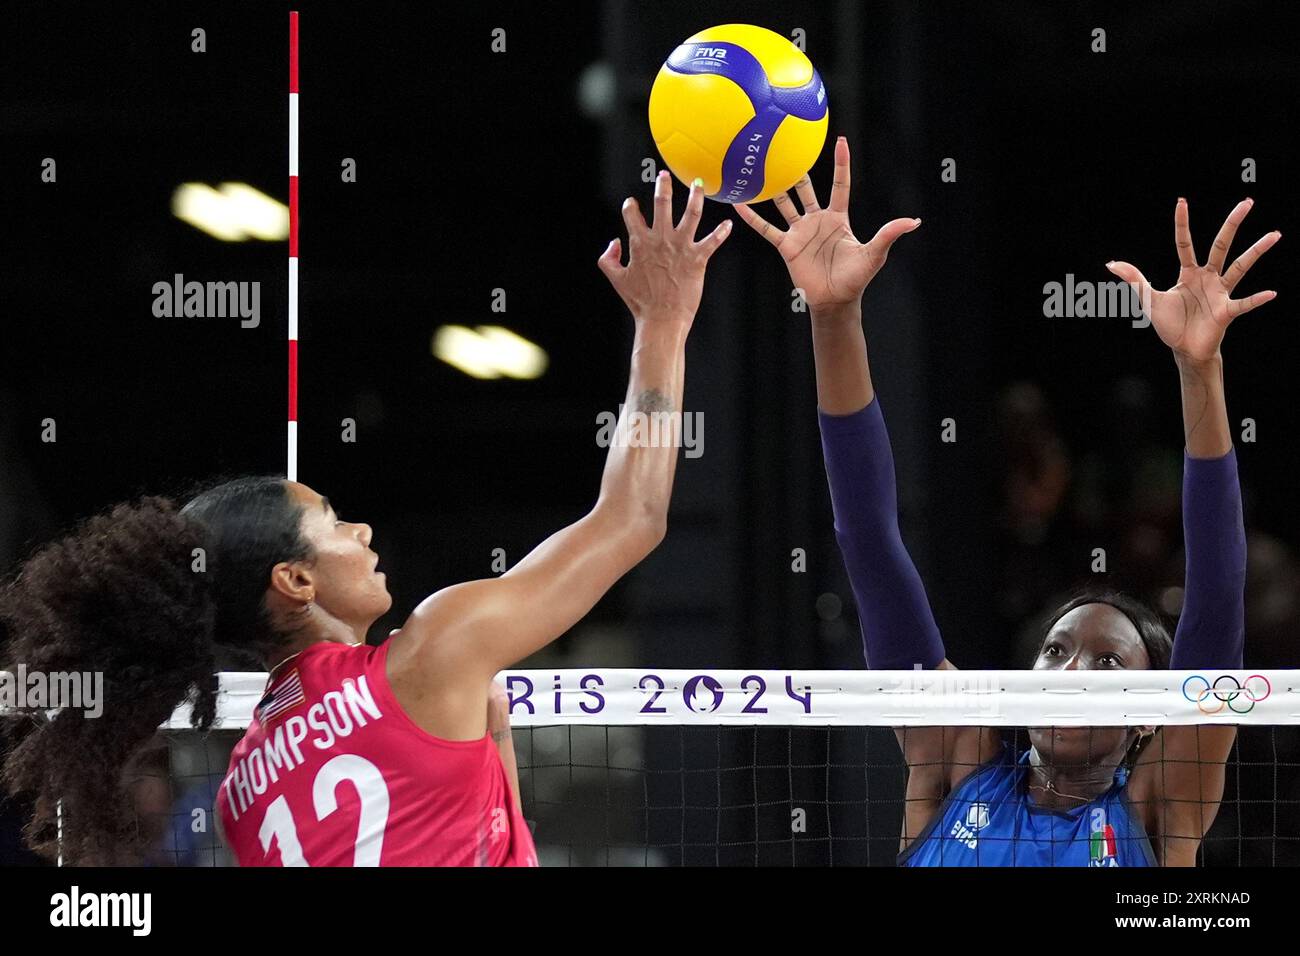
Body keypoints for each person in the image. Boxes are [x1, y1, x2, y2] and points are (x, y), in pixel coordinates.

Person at [0, 171, 731, 866]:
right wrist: (663, 325)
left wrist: (490, 734)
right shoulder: (434, 651)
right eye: (333, 522)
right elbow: (633, 518)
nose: (363, 533)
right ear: (294, 580)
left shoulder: (238, 797)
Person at [736, 137, 1279, 865]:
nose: (1072, 672)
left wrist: (1198, 367)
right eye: (1056, 651)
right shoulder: (956, 758)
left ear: (1151, 716)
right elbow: (868, 538)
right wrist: (833, 316)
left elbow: (1217, 592)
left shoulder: (1158, 803)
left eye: (1109, 664)